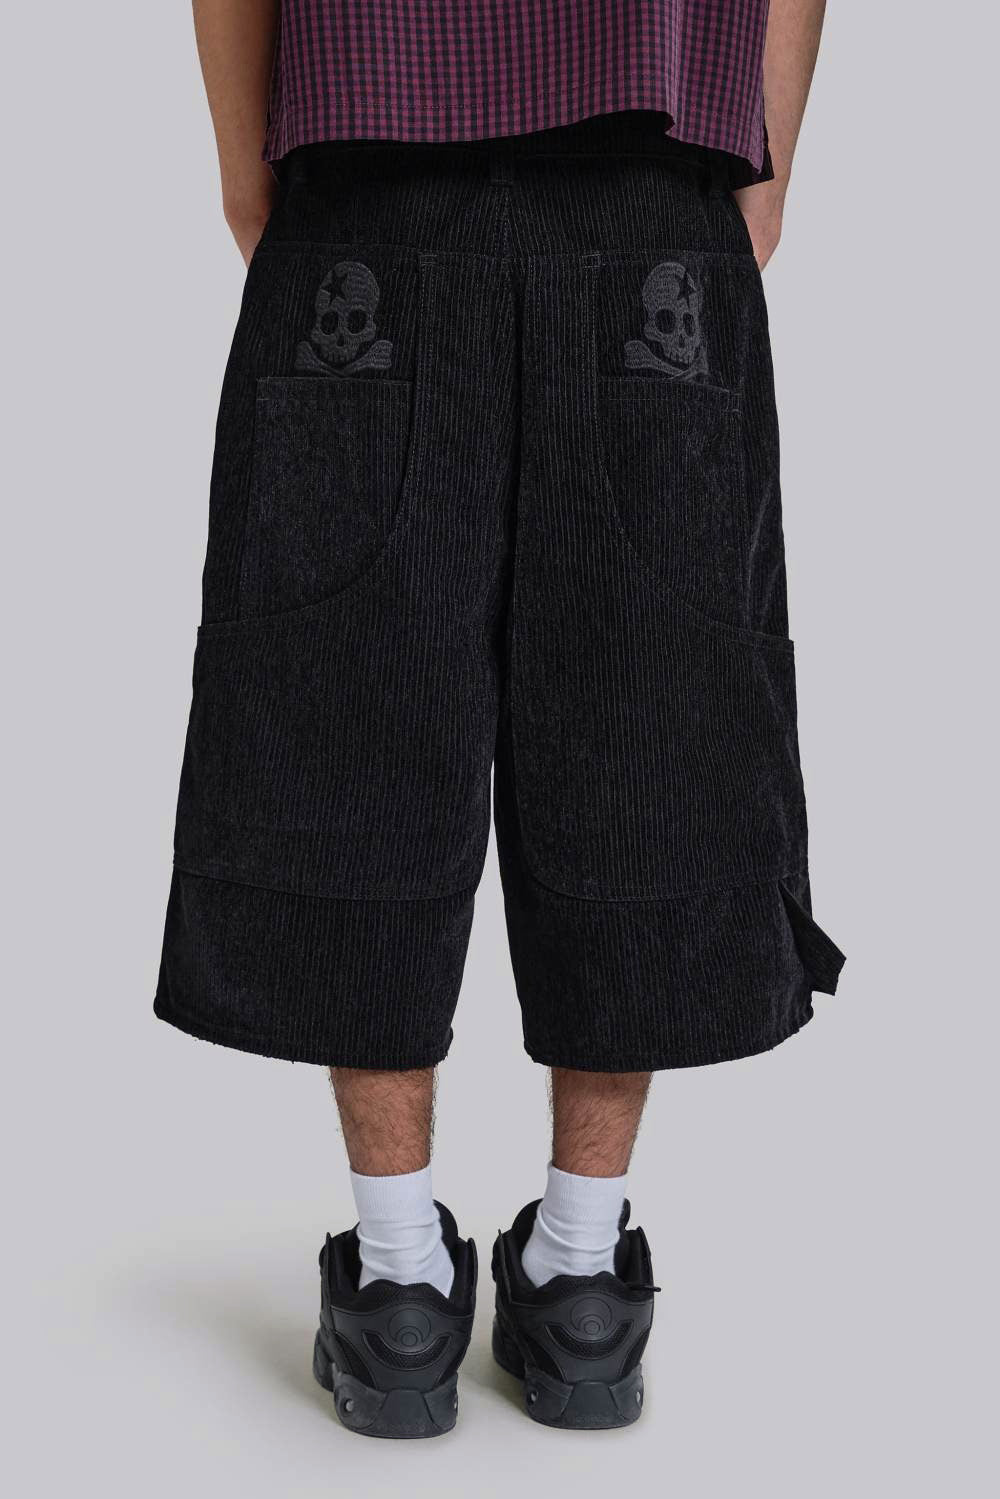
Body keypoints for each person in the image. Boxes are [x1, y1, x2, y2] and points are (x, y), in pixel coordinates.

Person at [156, 0, 844, 1437]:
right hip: (658, 198)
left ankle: (399, 1283)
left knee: (351, 707)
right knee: (647, 714)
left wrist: (249, 164)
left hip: (367, 186)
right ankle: (581, 1278)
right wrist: (758, 159)